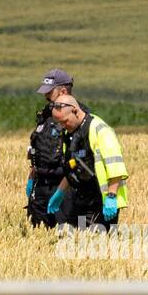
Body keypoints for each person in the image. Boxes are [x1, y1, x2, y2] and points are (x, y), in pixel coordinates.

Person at [44, 94, 129, 229]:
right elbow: (71, 167)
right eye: (59, 123)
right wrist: (59, 192)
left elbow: (115, 166)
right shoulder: (69, 134)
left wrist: (111, 197)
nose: (62, 126)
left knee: (95, 245)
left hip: (101, 202)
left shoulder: (100, 130)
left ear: (75, 111)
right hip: (80, 200)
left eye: (65, 121)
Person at [26, 68, 75, 228]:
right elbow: (37, 147)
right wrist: (31, 177)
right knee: (38, 235)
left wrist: (62, 190)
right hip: (40, 185)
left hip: (64, 186)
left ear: (63, 91)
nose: (46, 97)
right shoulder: (45, 114)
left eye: (49, 93)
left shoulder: (78, 115)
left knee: (65, 234)